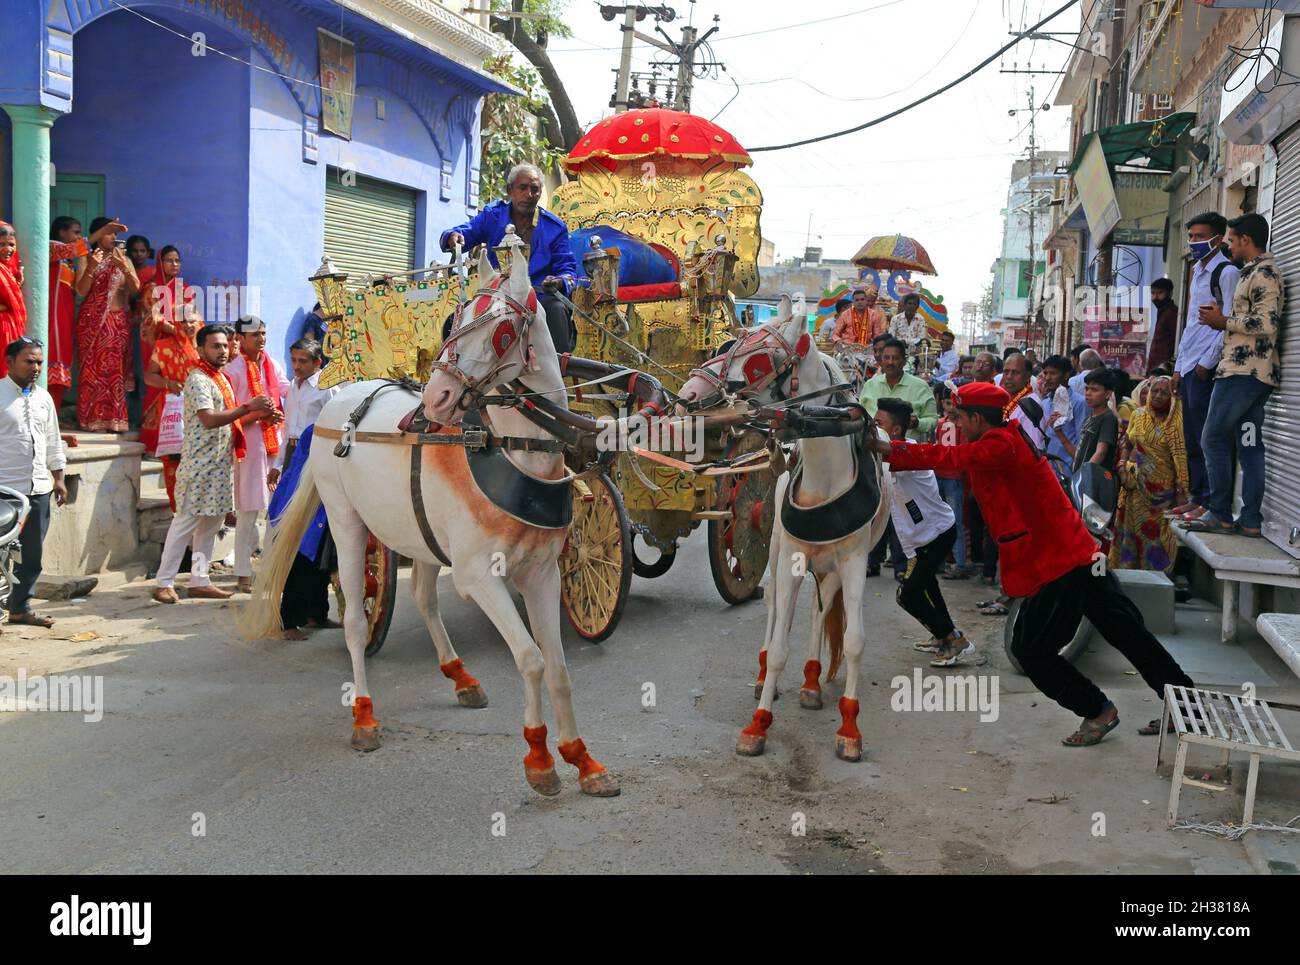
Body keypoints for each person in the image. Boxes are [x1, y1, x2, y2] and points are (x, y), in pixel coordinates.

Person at [867, 380, 1196, 746]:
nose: (955, 425)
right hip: (1076, 553)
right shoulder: (1006, 436)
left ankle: (1098, 710)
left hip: (1057, 562)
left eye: (960, 417)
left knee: (1031, 650)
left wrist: (885, 448)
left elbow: (947, 459)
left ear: (977, 418)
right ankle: (1188, 712)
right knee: (1130, 634)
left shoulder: (999, 444)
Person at [153, 325, 273, 604]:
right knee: (185, 522)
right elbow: (208, 418)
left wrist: (259, 414)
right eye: (215, 346)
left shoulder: (218, 378)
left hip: (220, 464)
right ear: (201, 349)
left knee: (210, 526)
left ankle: (199, 579)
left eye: (225, 346)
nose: (222, 351)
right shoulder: (198, 379)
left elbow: (230, 423)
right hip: (200, 465)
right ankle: (164, 581)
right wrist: (247, 408)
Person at [1187, 212, 1282, 538]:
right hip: (1248, 374)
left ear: (1246, 240)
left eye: (1231, 240)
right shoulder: (1251, 272)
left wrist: (1222, 321)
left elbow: (1267, 324)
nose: (1229, 246)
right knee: (1249, 446)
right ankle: (1251, 520)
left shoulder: (1264, 274)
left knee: (1212, 437)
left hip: (1243, 373)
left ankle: (1220, 514)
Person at [874, 397, 972, 667]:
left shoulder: (907, 455)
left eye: (877, 423)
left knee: (908, 595)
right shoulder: (893, 454)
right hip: (922, 538)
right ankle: (942, 635)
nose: (873, 426)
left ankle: (953, 640)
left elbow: (885, 459)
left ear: (894, 431)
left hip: (935, 536)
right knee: (929, 588)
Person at [440, 163, 579, 353]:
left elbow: (568, 270)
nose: (529, 195)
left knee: (556, 309)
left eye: (535, 189)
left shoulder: (555, 228)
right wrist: (452, 236)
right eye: (523, 188)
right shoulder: (492, 216)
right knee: (457, 319)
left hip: (538, 299)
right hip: (496, 297)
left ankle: (559, 368)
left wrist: (560, 281)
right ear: (509, 190)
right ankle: (454, 369)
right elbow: (467, 232)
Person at [266, 339, 339, 639]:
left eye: (303, 362)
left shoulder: (328, 388)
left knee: (318, 537)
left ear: (317, 362)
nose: (296, 367)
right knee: (298, 536)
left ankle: (315, 613)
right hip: (297, 461)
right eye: (294, 361)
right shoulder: (295, 387)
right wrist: (280, 463)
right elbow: (290, 430)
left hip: (317, 460)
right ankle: (291, 619)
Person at [1168, 212, 1238, 524]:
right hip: (1189, 365)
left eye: (1199, 236)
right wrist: (1179, 366)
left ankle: (1210, 502)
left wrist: (1204, 364)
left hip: (1206, 368)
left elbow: (1229, 324)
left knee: (1208, 438)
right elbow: (1192, 325)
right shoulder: (1197, 270)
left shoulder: (1225, 273)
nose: (1193, 242)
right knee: (1192, 437)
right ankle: (1198, 497)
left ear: (1219, 238)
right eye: (1191, 236)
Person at [0, 338, 68, 628]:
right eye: (29, 361)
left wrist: (59, 477)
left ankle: (20, 608)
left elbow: (53, 439)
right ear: (10, 361)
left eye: (39, 362)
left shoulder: (44, 398)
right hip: (5, 490)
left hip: (39, 489)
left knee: (32, 555)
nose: (36, 367)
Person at [861, 338, 938, 579]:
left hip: (905, 458)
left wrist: (918, 422)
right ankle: (872, 561)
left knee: (901, 511)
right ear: (880, 360)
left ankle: (901, 565)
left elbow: (933, 419)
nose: (891, 362)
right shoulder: (871, 386)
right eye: (886, 357)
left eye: (896, 358)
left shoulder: (919, 387)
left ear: (905, 360)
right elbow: (862, 416)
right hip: (875, 459)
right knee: (874, 508)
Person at [224, 315, 288, 593]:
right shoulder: (233, 370)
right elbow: (230, 414)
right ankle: (242, 572)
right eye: (255, 335)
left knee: (276, 507)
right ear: (239, 339)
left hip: (275, 440)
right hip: (248, 445)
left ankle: (271, 568)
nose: (261, 339)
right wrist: (257, 413)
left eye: (263, 333)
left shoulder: (271, 364)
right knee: (249, 509)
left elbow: (287, 389)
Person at [139, 246, 203, 509]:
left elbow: (194, 319)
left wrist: (184, 327)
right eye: (169, 260)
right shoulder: (152, 288)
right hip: (164, 349)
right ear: (160, 262)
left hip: (185, 347)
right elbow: (148, 319)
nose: (174, 264)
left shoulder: (185, 289)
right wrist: (172, 328)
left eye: (178, 260)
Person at [1110, 375, 1188, 575]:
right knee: (1130, 535)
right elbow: (1127, 441)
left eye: (1165, 392)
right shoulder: (1138, 415)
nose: (1158, 396)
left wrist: (1181, 490)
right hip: (1134, 488)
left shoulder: (1175, 422)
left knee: (1157, 540)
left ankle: (1155, 582)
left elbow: (1180, 458)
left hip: (1161, 496)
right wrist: (1122, 463)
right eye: (1155, 391)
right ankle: (1128, 579)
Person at [47, 216, 126, 412]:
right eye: (75, 231)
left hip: (65, 317)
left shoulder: (68, 262)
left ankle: (54, 416)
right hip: (52, 317)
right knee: (50, 364)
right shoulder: (50, 248)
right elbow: (77, 248)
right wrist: (104, 229)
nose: (78, 236)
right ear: (61, 233)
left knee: (61, 367)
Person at [74, 217, 141, 432]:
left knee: (115, 372)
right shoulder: (87, 257)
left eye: (116, 234)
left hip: (119, 322)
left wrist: (125, 268)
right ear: (98, 234)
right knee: (93, 373)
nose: (114, 238)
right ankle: (91, 420)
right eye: (109, 233)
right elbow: (81, 291)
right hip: (93, 322)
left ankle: (115, 420)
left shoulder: (123, 258)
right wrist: (92, 267)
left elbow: (136, 290)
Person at [934, 386, 971, 580]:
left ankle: (960, 563)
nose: (949, 408)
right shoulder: (941, 423)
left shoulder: (960, 427)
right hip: (941, 474)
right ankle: (942, 560)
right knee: (940, 520)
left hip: (954, 477)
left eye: (952, 403)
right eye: (946, 403)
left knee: (955, 521)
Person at [1074, 367, 1120, 473]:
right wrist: (1060, 434)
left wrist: (1083, 475)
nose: (1088, 393)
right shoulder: (1090, 417)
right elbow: (1079, 453)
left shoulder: (1108, 418)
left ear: (1108, 394)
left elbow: (1101, 452)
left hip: (1093, 482)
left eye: (1094, 389)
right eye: (1087, 388)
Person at [0, 223, 26, 380]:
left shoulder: (9, 270)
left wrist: (17, 283)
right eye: (1, 244)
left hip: (10, 331)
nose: (7, 249)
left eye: (11, 244)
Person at [1147, 278, 1177, 372]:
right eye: (1153, 293)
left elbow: (1177, 342)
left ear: (1170, 293)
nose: (1155, 297)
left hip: (1163, 369)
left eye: (1160, 293)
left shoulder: (1172, 313)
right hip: (1155, 368)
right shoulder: (1162, 312)